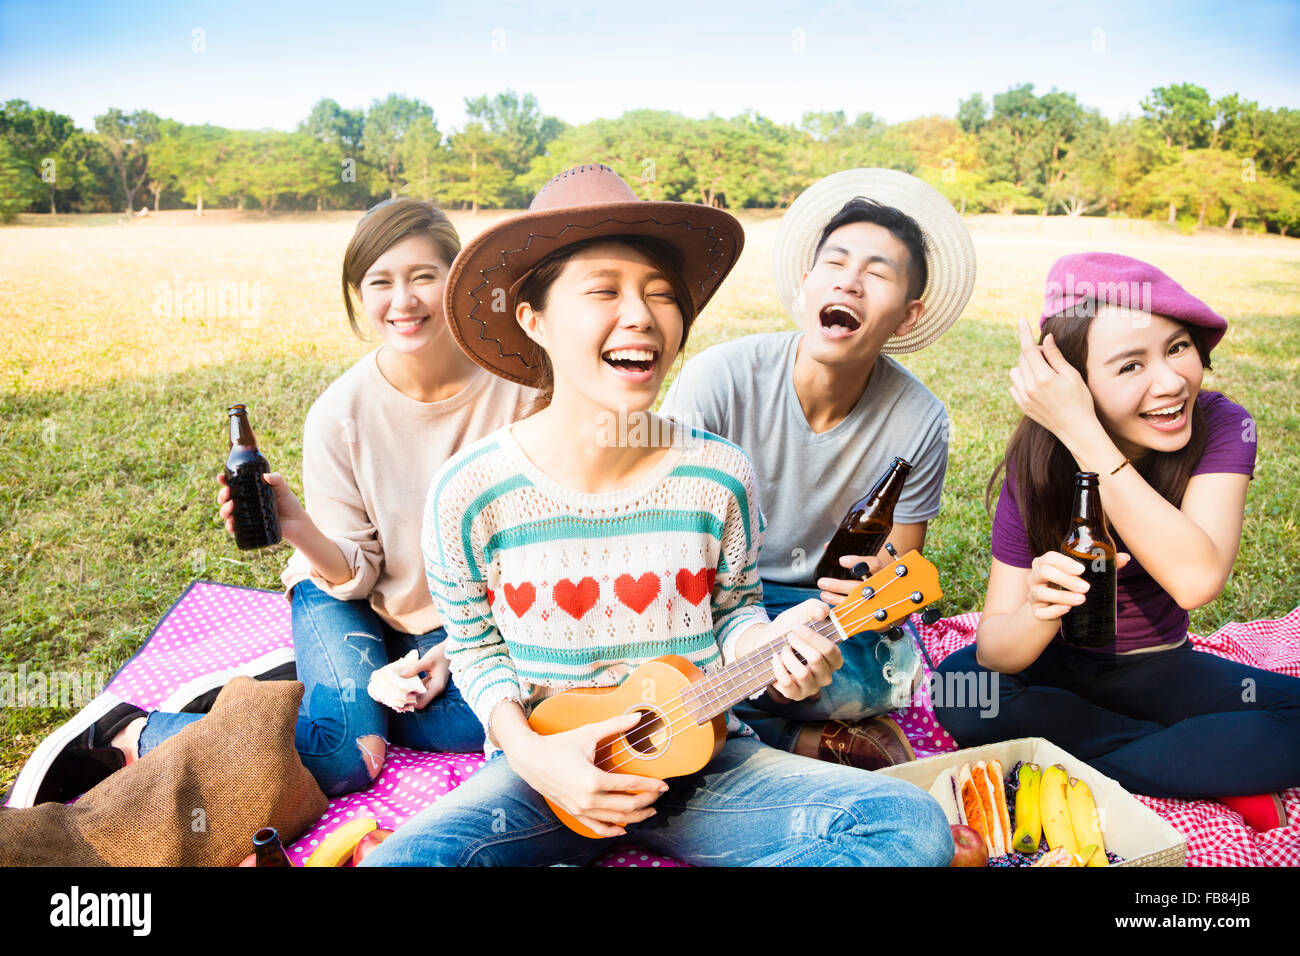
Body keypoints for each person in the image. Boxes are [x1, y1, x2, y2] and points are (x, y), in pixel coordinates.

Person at [360, 164, 953, 866]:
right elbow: (476, 648)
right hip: (541, 777)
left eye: (661, 294)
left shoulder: (718, 474)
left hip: (704, 765)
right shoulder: (469, 491)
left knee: (907, 825)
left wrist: (770, 649)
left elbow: (734, 610)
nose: (640, 314)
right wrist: (537, 757)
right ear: (534, 318)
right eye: (604, 290)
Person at [17, 199, 534, 806]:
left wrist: (446, 652)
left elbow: (537, 549)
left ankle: (309, 691)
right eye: (380, 282)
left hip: (462, 624)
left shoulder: (523, 390)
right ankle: (130, 730)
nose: (404, 301)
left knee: (515, 715)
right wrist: (296, 527)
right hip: (345, 592)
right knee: (349, 753)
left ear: (457, 279)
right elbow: (352, 569)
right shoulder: (338, 416)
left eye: (424, 276)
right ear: (356, 293)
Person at [932, 252, 1300, 830]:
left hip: (1157, 669)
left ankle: (1129, 758)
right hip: (1055, 669)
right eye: (1130, 366)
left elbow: (1196, 580)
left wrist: (1084, 434)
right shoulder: (1037, 463)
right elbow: (996, 651)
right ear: (1074, 383)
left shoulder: (1223, 426)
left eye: (1178, 348)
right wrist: (1036, 611)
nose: (1172, 380)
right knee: (959, 689)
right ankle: (1189, 760)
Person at [659, 169, 975, 771]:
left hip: (825, 618)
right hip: (714, 601)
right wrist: (744, 635)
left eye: (878, 272)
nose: (851, 282)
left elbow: (900, 579)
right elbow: (667, 542)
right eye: (836, 263)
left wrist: (878, 583)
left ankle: (726, 723)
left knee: (889, 680)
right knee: (650, 658)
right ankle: (788, 737)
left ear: (909, 316)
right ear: (807, 286)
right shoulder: (719, 378)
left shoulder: (921, 419)